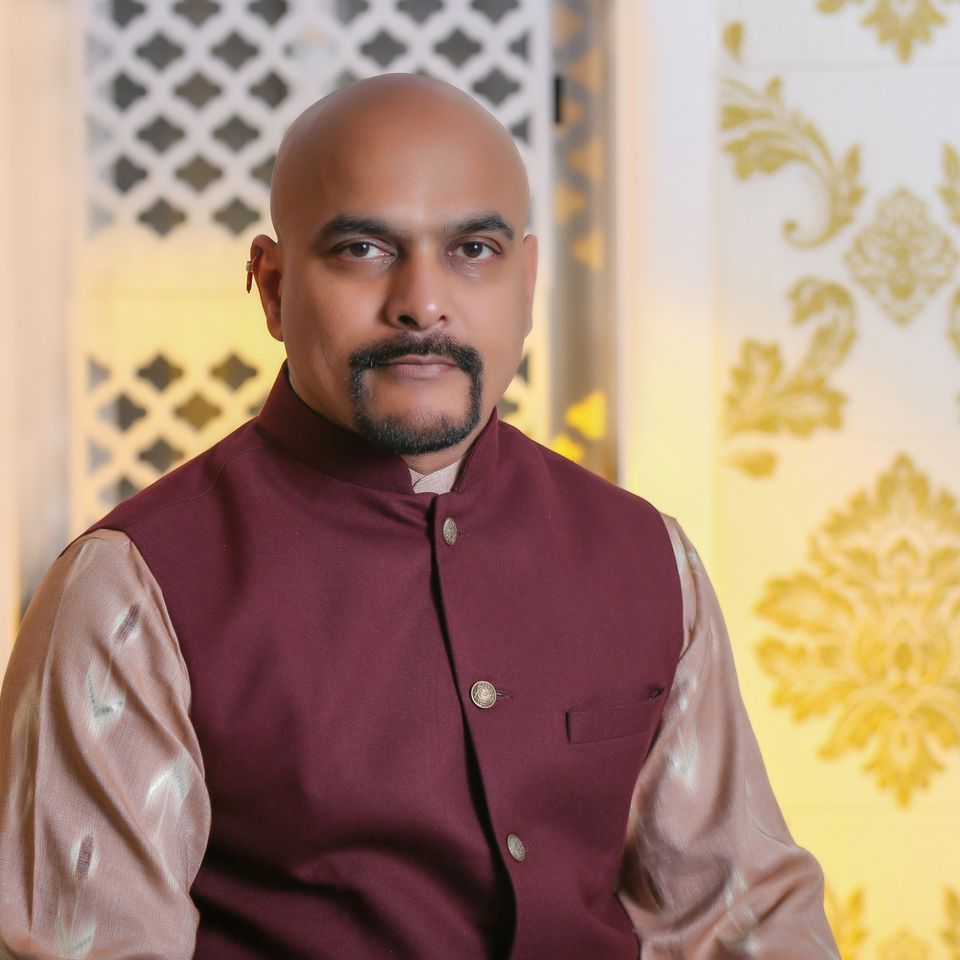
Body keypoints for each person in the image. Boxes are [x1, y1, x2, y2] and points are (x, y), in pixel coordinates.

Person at [0, 74, 838, 959]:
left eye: (473, 249)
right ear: (274, 289)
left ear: (527, 282)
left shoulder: (648, 557)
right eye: (364, 248)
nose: (423, 301)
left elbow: (742, 917)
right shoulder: (129, 591)